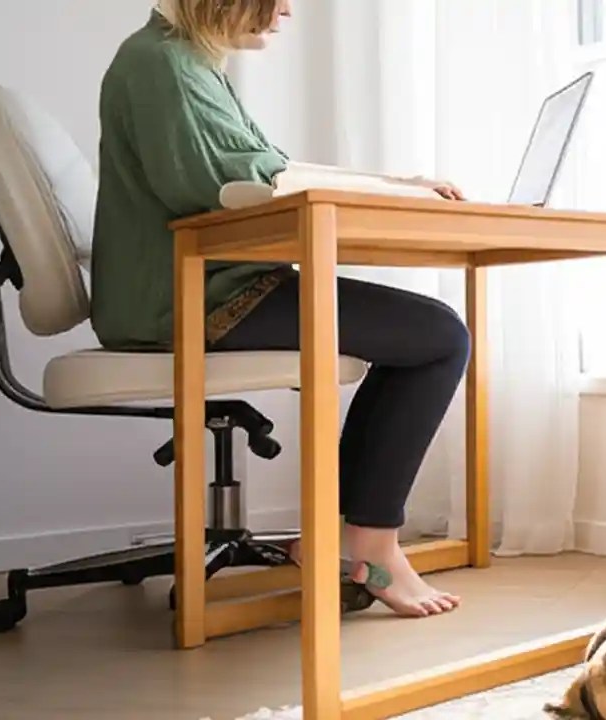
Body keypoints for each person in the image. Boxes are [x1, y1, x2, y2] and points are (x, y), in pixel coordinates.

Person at [90, 0, 468, 618]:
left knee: (428, 334)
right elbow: (239, 188)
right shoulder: (162, 66)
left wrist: (392, 185)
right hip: (194, 298)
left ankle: (343, 537)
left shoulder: (184, 61)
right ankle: (368, 546)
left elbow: (271, 169)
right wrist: (380, 189)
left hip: (214, 285)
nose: (288, 8)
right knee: (438, 335)